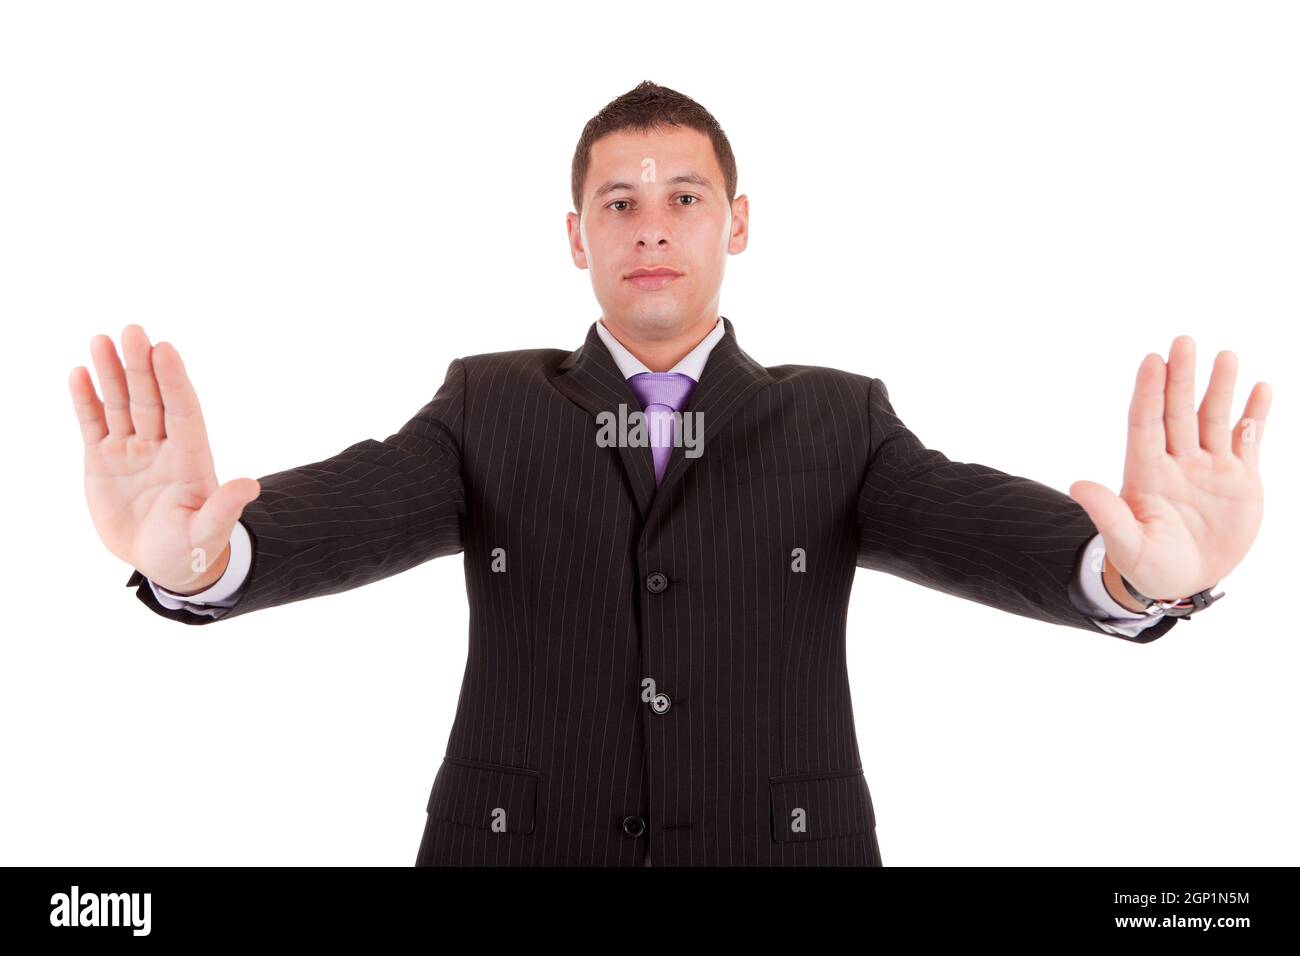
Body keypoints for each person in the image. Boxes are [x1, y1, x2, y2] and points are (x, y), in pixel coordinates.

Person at [68, 81, 1270, 866]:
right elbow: (361, 501)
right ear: (575, 234)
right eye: (619, 200)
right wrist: (209, 561)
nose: (652, 225)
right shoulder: (488, 402)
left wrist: (1126, 574)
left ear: (735, 224)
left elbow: (970, 521)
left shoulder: (835, 417)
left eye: (684, 197)